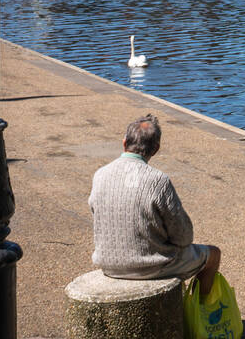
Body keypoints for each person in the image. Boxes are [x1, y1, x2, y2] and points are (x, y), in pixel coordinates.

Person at [89, 114, 220, 296]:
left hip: (109, 264)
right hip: (149, 266)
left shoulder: (100, 174)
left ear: (124, 142)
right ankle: (202, 312)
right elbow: (183, 236)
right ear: (156, 149)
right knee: (212, 255)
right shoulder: (157, 181)